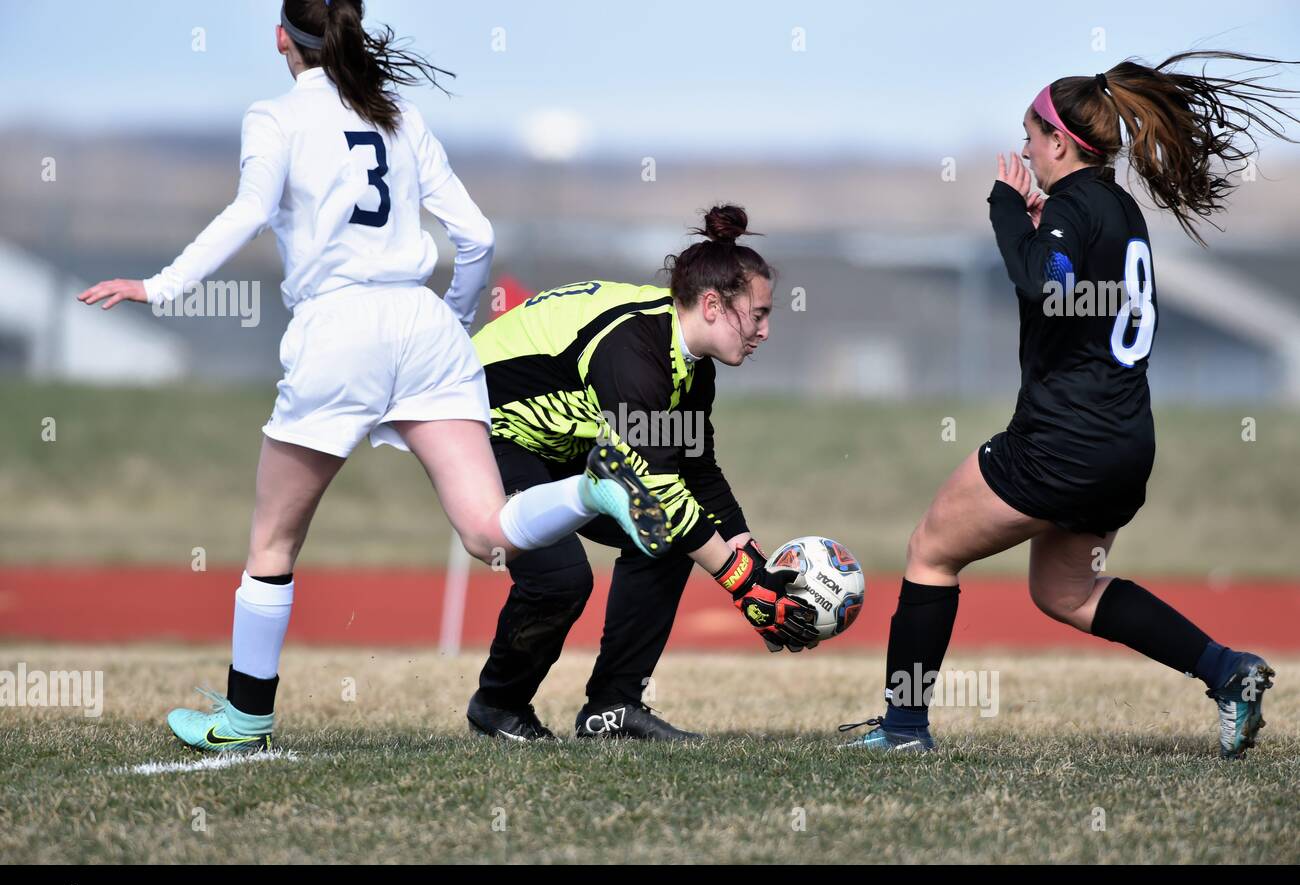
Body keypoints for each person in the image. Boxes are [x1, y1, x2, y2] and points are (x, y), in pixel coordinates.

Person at [76, 0, 668, 753]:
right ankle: (592, 489)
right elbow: (477, 236)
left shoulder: (275, 115)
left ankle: (246, 718)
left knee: (272, 544)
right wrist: (451, 323)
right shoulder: (399, 116)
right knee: (489, 531)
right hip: (422, 325)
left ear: (281, 39)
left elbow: (247, 211)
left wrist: (158, 286)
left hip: (340, 327)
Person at [840, 52, 1298, 757]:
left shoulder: (1072, 207)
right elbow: (1065, 276)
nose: (1024, 150)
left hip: (1062, 443)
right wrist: (1038, 226)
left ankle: (903, 730)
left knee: (929, 551)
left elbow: (1041, 286)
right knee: (1065, 591)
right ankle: (1226, 670)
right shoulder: (1117, 208)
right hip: (1124, 443)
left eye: (1030, 137)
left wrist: (1004, 208)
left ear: (1059, 143)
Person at [466, 205, 820, 741]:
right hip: (491, 431)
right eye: (761, 314)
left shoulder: (691, 366)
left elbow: (698, 475)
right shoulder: (635, 352)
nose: (766, 332)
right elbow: (654, 485)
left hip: (566, 443)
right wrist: (741, 584)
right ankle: (497, 704)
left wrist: (758, 569)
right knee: (561, 579)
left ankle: (611, 706)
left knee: (668, 538)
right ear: (712, 305)